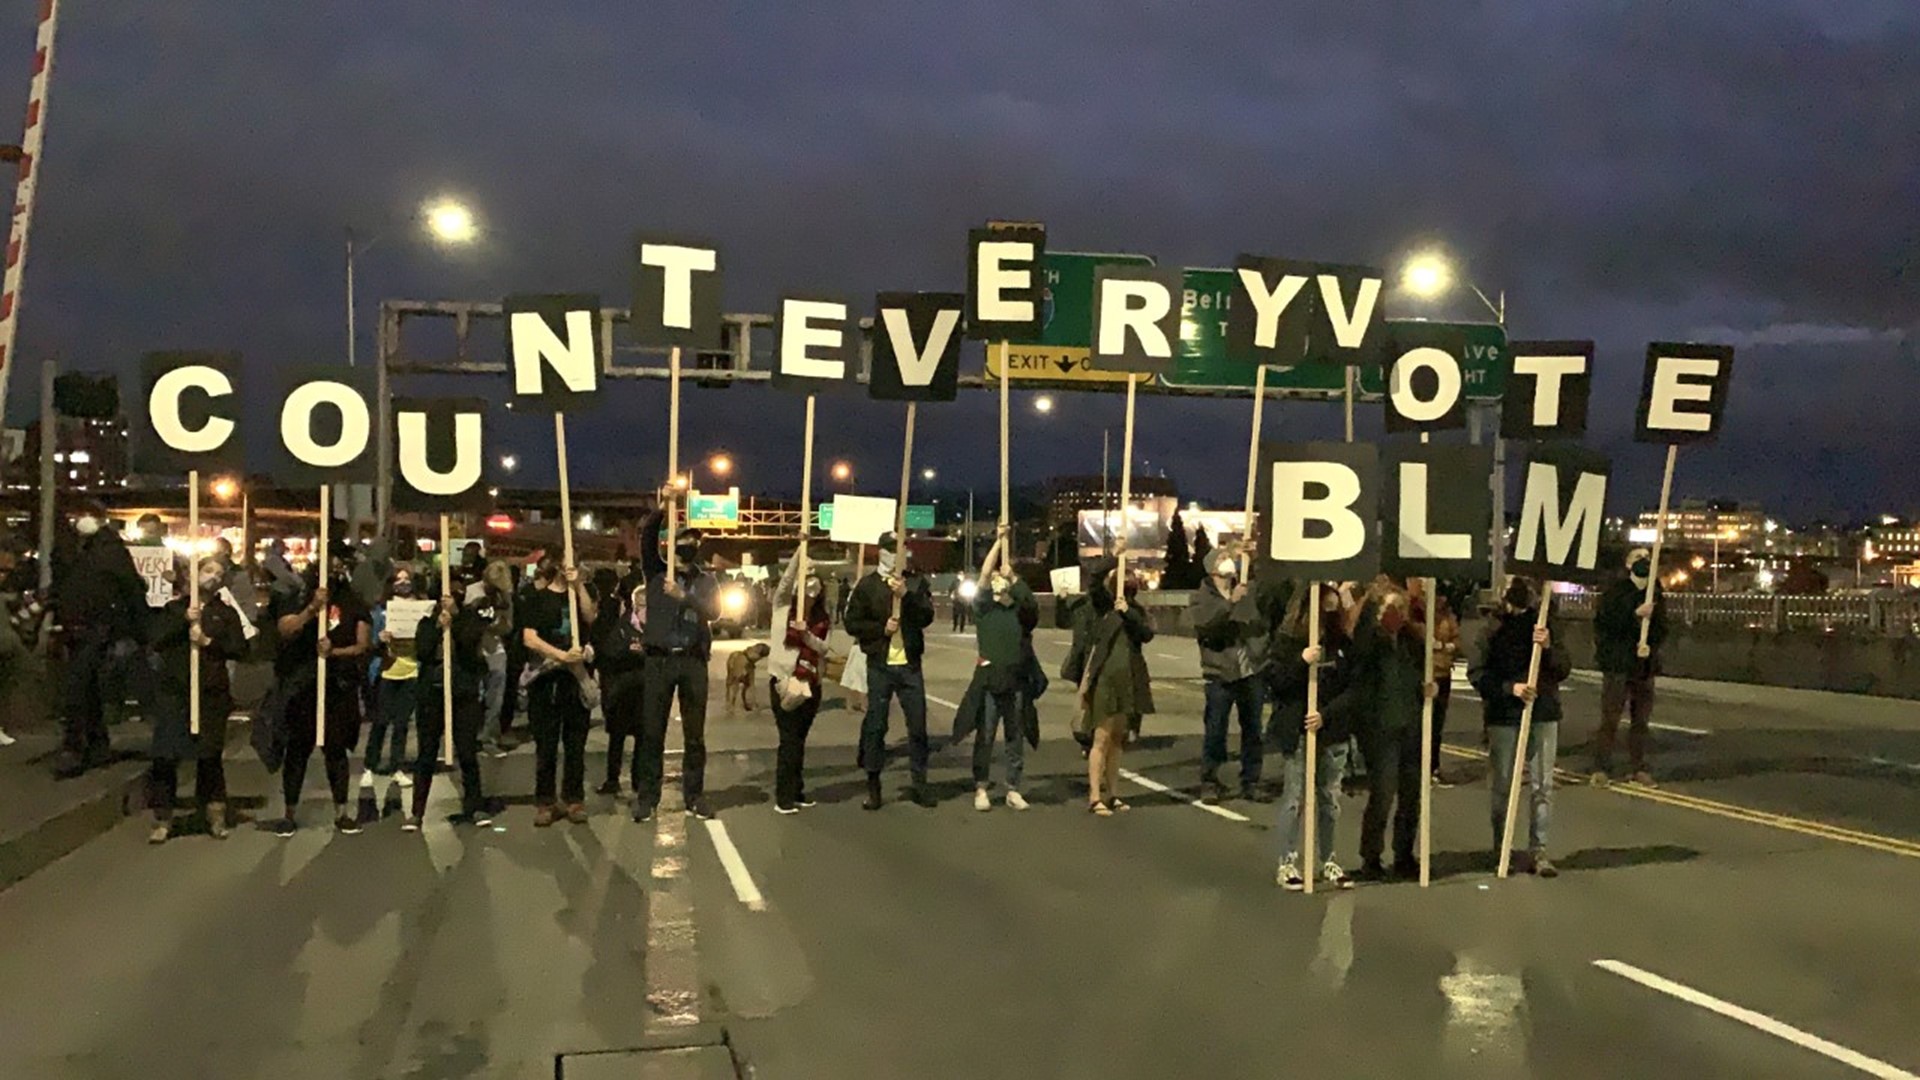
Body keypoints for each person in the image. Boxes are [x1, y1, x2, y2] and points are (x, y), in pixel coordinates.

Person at [1325, 585, 1431, 882]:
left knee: (1411, 795)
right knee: (1383, 794)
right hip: (1381, 729)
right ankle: (1371, 856)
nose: (1396, 615)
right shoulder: (1370, 642)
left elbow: (1420, 675)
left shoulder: (1412, 642)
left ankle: (1404, 854)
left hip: (1409, 726)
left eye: (1400, 609)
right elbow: (1360, 679)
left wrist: (1426, 689)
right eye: (1389, 609)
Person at [1470, 577, 1570, 877]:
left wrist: (1548, 647)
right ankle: (1502, 849)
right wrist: (1509, 689)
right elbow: (1478, 673)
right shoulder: (1492, 628)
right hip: (1504, 715)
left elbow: (1563, 668)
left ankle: (1539, 850)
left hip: (1543, 711)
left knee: (1542, 786)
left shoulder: (1546, 624)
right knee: (1503, 785)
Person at [145, 558, 249, 843]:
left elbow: (240, 648)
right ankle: (163, 818)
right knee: (166, 755)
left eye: (219, 573)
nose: (213, 577)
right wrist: (183, 620)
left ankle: (215, 814)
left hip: (211, 693)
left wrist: (208, 643)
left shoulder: (225, 613)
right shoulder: (173, 609)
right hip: (176, 692)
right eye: (208, 571)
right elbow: (156, 639)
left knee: (209, 756)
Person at [265, 559, 371, 836]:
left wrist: (334, 652)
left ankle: (342, 812)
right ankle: (289, 813)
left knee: (336, 751)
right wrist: (312, 608)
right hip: (302, 687)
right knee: (297, 751)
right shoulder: (295, 598)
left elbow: (362, 644)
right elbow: (286, 629)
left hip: (337, 687)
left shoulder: (352, 602)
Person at [634, 504, 719, 822]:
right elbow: (647, 537)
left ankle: (694, 795)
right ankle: (647, 797)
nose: (691, 545)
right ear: (672, 544)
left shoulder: (705, 580)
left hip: (693, 660)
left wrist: (685, 597)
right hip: (660, 660)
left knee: (694, 735)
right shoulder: (657, 572)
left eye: (695, 541)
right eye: (685, 540)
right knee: (652, 731)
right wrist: (663, 507)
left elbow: (715, 612)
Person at [49, 506, 146, 778]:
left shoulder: (108, 551)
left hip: (99, 628)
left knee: (77, 686)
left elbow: (130, 588)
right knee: (87, 688)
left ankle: (74, 746)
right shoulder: (72, 548)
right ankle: (96, 743)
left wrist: (138, 629)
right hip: (75, 628)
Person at [1272, 583, 1356, 890]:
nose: (1331, 614)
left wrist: (1326, 715)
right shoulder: (1289, 640)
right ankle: (1287, 862)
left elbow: (1353, 687)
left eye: (1335, 608)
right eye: (1325, 608)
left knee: (1329, 799)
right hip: (1299, 730)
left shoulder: (1341, 643)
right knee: (1294, 800)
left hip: (1332, 731)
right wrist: (1302, 661)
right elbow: (1277, 683)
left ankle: (1328, 859)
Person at [844, 533, 936, 810]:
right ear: (882, 553)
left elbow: (926, 616)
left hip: (909, 666)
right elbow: (852, 623)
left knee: (918, 726)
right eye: (892, 549)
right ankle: (873, 786)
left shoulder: (915, 582)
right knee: (876, 725)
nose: (897, 554)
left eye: (901, 549)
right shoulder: (867, 585)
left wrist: (906, 596)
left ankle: (920, 784)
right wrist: (880, 630)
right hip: (880, 666)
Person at [953, 529, 1038, 811]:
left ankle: (1013, 787)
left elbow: (1031, 603)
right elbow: (985, 574)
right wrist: (998, 543)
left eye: (1004, 582)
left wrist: (1013, 576)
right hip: (990, 681)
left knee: (1015, 736)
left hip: (1016, 680)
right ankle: (981, 786)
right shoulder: (984, 609)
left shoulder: (1019, 613)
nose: (999, 583)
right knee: (986, 735)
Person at [518, 555, 599, 827]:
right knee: (546, 744)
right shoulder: (537, 598)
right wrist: (561, 655)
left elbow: (589, 616)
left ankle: (574, 798)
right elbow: (530, 638)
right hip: (547, 677)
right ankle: (545, 801)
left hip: (575, 677)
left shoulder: (579, 595)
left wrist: (579, 586)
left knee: (576, 743)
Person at [1190, 546, 1272, 804]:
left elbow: (1267, 592)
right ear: (1212, 568)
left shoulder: (1246, 589)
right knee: (1216, 729)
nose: (1229, 562)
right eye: (1223, 558)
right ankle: (1210, 780)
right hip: (1220, 674)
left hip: (1250, 670)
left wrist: (1254, 556)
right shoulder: (1201, 597)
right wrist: (1230, 603)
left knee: (1253, 729)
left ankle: (1251, 780)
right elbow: (1206, 624)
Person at [406, 591, 493, 830]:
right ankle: (417, 812)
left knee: (467, 752)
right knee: (426, 754)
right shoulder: (426, 623)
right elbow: (422, 651)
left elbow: (470, 644)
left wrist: (455, 622)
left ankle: (475, 806)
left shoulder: (470, 620)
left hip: (462, 693)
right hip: (432, 695)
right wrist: (438, 627)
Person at [1077, 548, 1153, 815]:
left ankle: (1112, 793)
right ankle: (1095, 796)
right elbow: (1094, 580)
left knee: (1118, 739)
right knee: (1101, 737)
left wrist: (1128, 611)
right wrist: (1114, 556)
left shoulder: (1135, 610)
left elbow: (1146, 634)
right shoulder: (1103, 607)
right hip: (1106, 680)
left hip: (1128, 680)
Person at [1592, 547, 1667, 786]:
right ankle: (1602, 767)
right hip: (1618, 664)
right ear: (1627, 564)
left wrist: (1650, 641)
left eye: (1646, 558)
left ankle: (1638, 766)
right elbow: (1605, 623)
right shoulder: (1616, 591)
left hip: (1643, 666)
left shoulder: (1655, 591)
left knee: (1641, 721)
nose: (1643, 561)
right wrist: (1634, 614)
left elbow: (1663, 627)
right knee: (1611, 718)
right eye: (1638, 557)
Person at [767, 553, 831, 813]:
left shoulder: (821, 619)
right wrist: (799, 554)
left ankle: (796, 790)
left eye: (815, 586)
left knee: (800, 740)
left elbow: (824, 648)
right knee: (789, 740)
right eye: (807, 583)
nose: (811, 591)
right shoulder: (782, 607)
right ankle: (783, 796)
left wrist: (806, 635)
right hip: (784, 681)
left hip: (810, 683)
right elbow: (784, 583)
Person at [361, 565, 423, 821]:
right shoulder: (381, 610)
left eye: (407, 580)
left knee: (401, 723)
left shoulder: (420, 608)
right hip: (386, 671)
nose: (403, 584)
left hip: (410, 670)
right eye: (399, 580)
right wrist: (380, 639)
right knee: (380, 721)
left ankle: (397, 765)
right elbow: (370, 643)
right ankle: (370, 764)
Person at [1407, 578, 1462, 787]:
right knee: (1422, 725)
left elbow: (1456, 640)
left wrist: (1445, 646)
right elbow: (1419, 637)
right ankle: (1418, 768)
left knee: (1437, 725)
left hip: (1443, 672)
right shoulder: (1417, 611)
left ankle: (1433, 767)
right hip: (1426, 674)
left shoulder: (1447, 615)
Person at [597, 583, 648, 798]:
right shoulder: (622, 626)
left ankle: (638, 781)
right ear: (635, 605)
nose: (645, 610)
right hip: (622, 690)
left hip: (645, 690)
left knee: (643, 738)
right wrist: (629, 650)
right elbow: (609, 652)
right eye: (642, 605)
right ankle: (612, 779)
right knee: (617, 738)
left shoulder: (656, 627)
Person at [468, 560, 517, 756]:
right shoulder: (472, 592)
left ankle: (488, 738)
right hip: (475, 650)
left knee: (495, 699)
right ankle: (469, 738)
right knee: (474, 697)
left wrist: (499, 623)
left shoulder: (504, 596)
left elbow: (509, 626)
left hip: (495, 649)